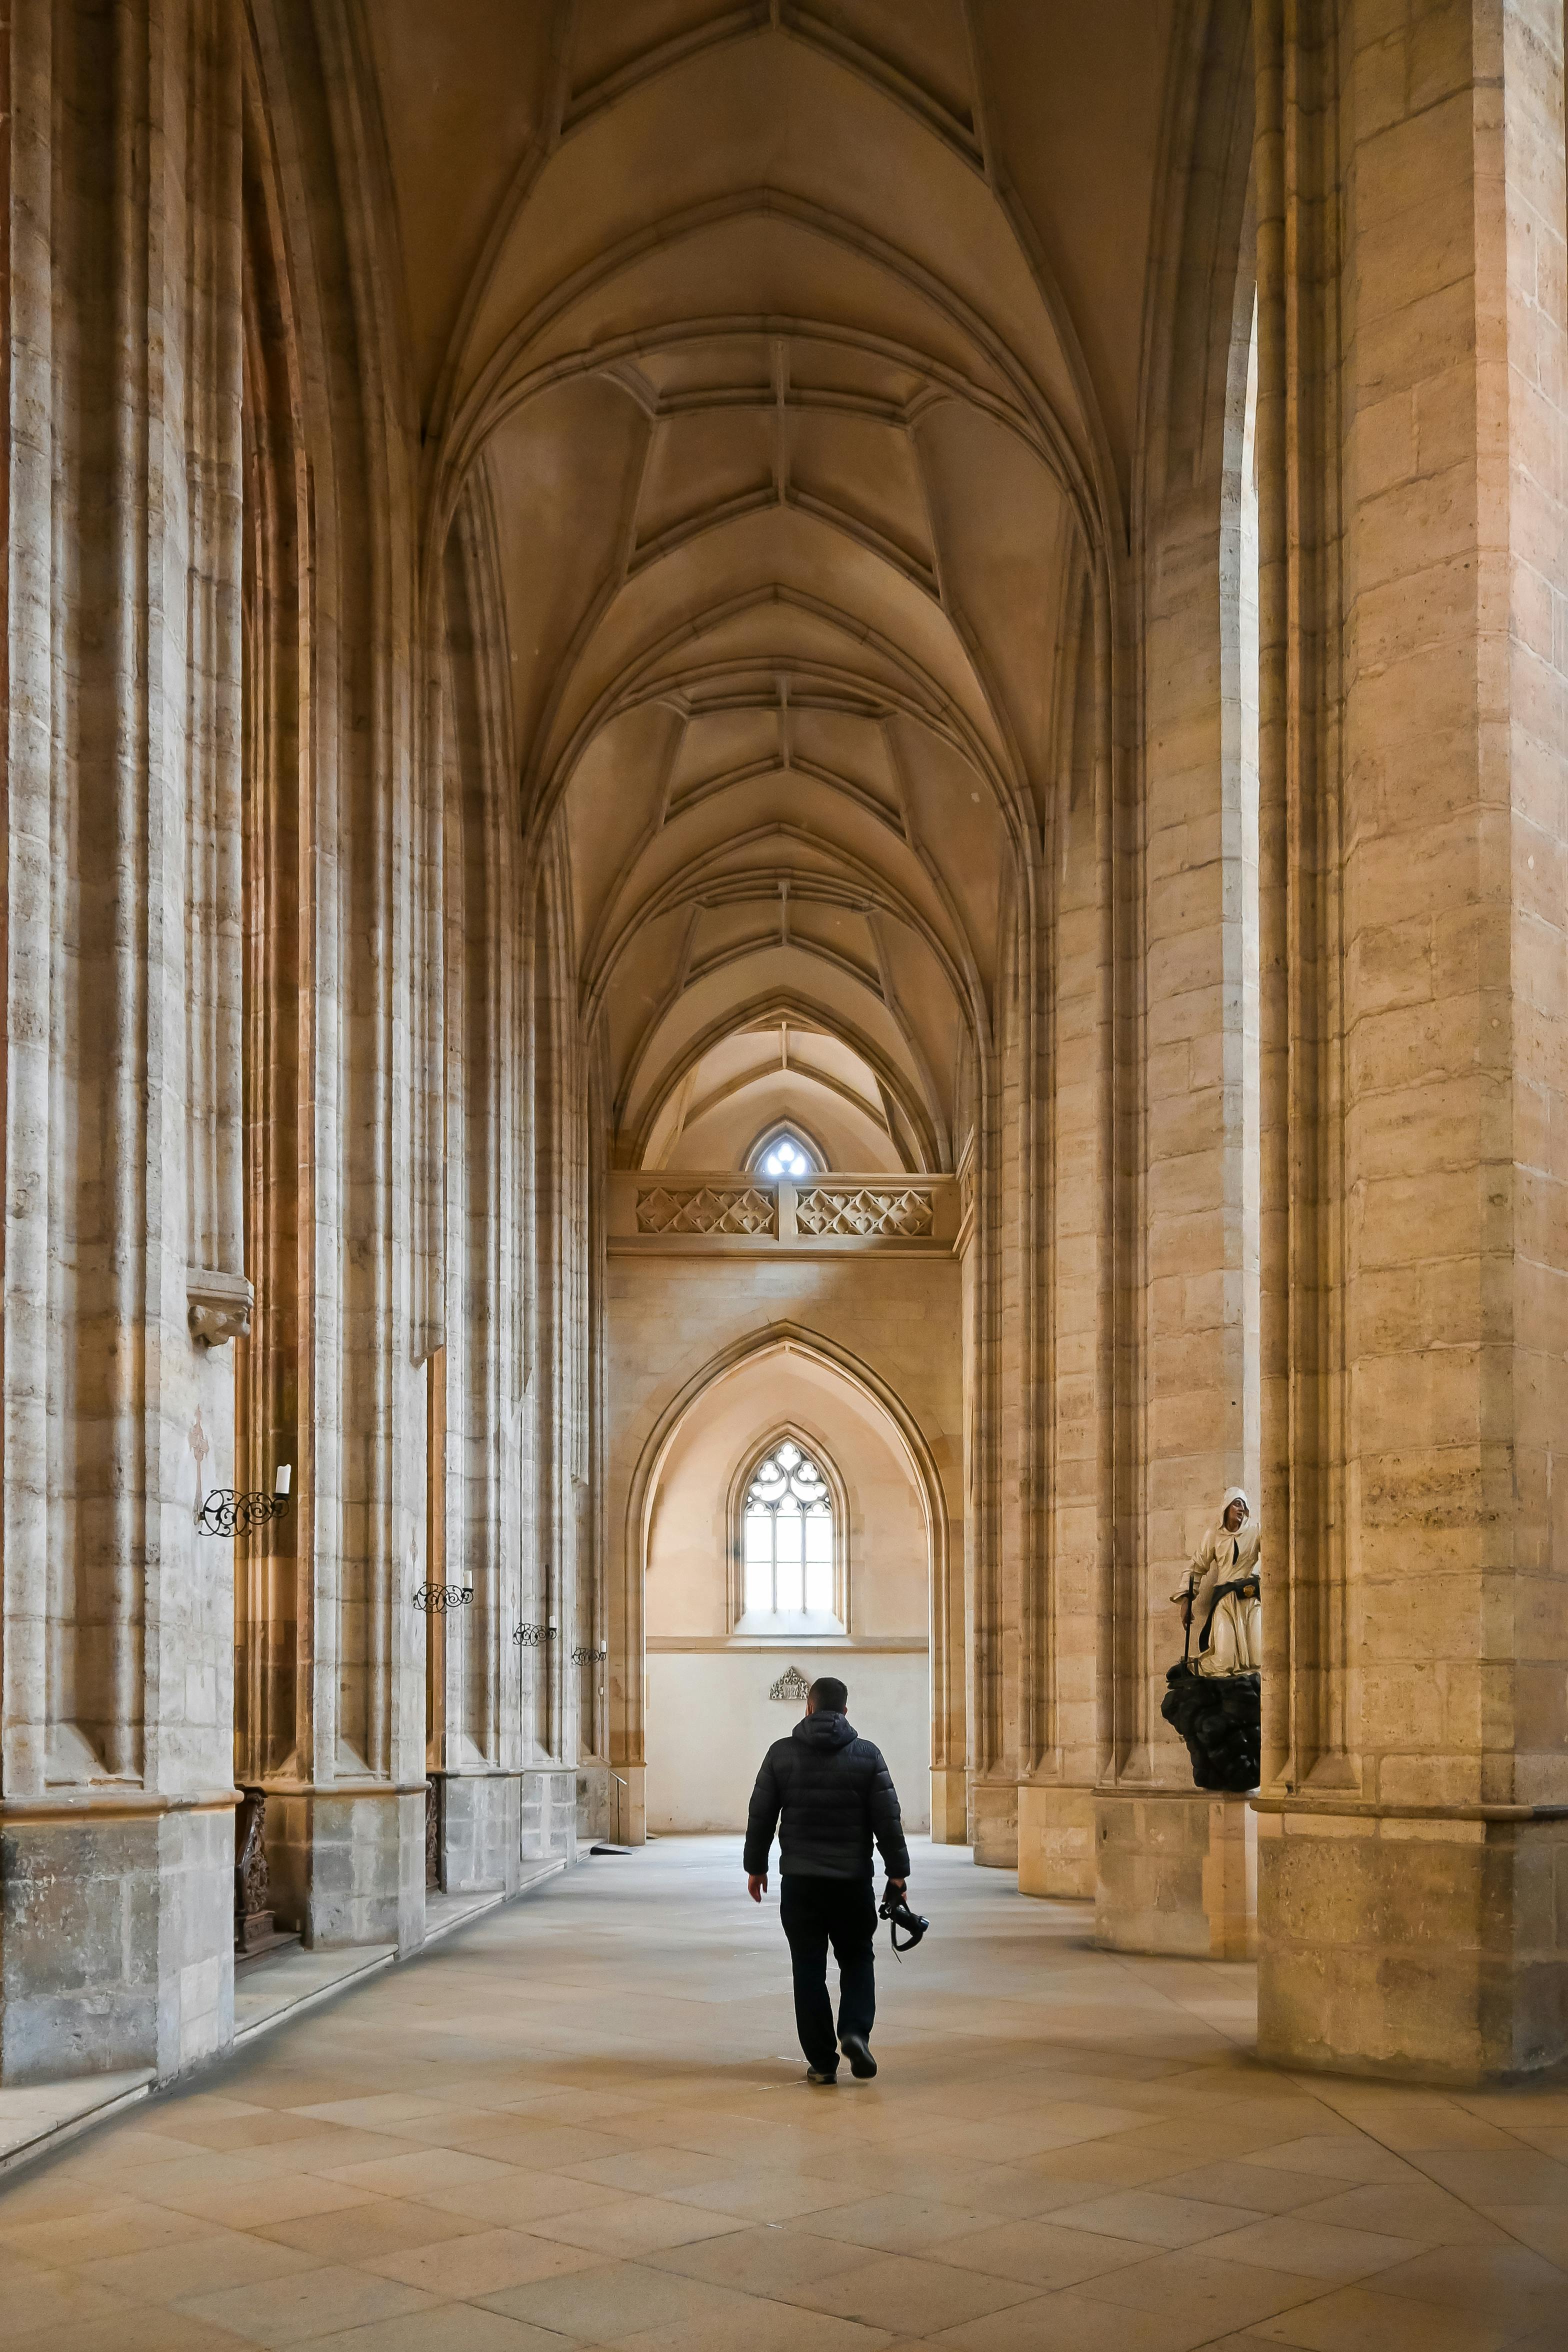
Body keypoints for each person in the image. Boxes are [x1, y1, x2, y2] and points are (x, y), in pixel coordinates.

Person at [744, 1674, 910, 2084]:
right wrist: (898, 1873)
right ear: (846, 1711)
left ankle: (821, 2062)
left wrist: (756, 1867)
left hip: (801, 1882)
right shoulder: (868, 1755)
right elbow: (888, 1820)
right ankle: (854, 2030)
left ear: (809, 1708)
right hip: (852, 1881)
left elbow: (761, 1814)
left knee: (808, 1967)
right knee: (857, 1958)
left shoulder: (780, 1754)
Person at [1173, 1485, 1262, 1677]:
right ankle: (1191, 1669)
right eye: (1237, 1504)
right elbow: (1196, 1567)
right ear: (1226, 1508)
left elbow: (1278, 1555)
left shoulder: (1255, 1532)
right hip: (1225, 1601)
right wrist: (1186, 1601)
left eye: (1244, 1506)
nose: (1241, 1510)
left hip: (1251, 1601)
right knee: (1224, 1662)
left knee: (1259, 1658)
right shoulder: (1214, 1535)